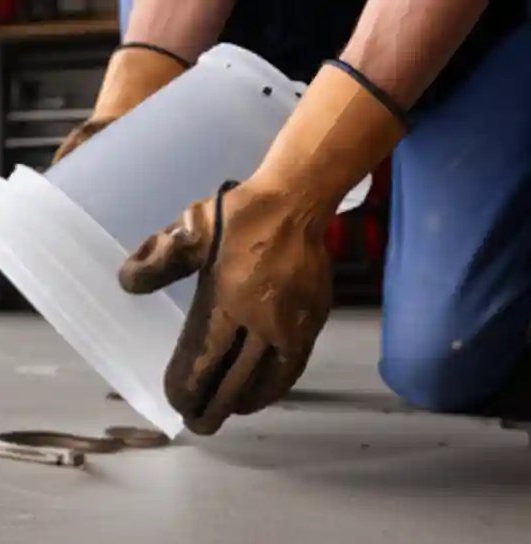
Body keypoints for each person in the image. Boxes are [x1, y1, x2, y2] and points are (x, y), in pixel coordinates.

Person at [55, 0, 531, 435]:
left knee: (444, 366)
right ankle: (194, 303)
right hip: (262, 28)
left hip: (472, 42)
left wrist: (289, 198)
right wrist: (137, 95)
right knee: (178, 309)